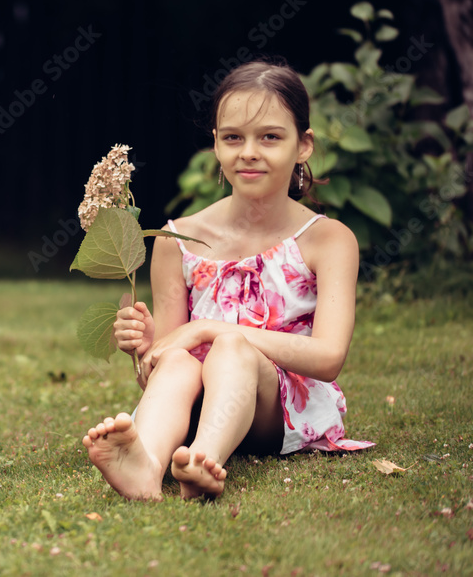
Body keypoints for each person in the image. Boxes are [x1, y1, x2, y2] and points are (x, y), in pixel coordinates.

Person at [83, 59, 373, 501]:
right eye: (233, 137)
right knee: (180, 362)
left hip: (281, 414)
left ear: (304, 145)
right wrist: (146, 347)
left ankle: (203, 459)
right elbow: (160, 373)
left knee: (232, 347)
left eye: (270, 137)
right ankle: (148, 466)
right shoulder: (177, 238)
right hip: (199, 407)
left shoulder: (328, 240)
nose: (249, 151)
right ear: (215, 144)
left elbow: (329, 357)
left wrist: (209, 328)